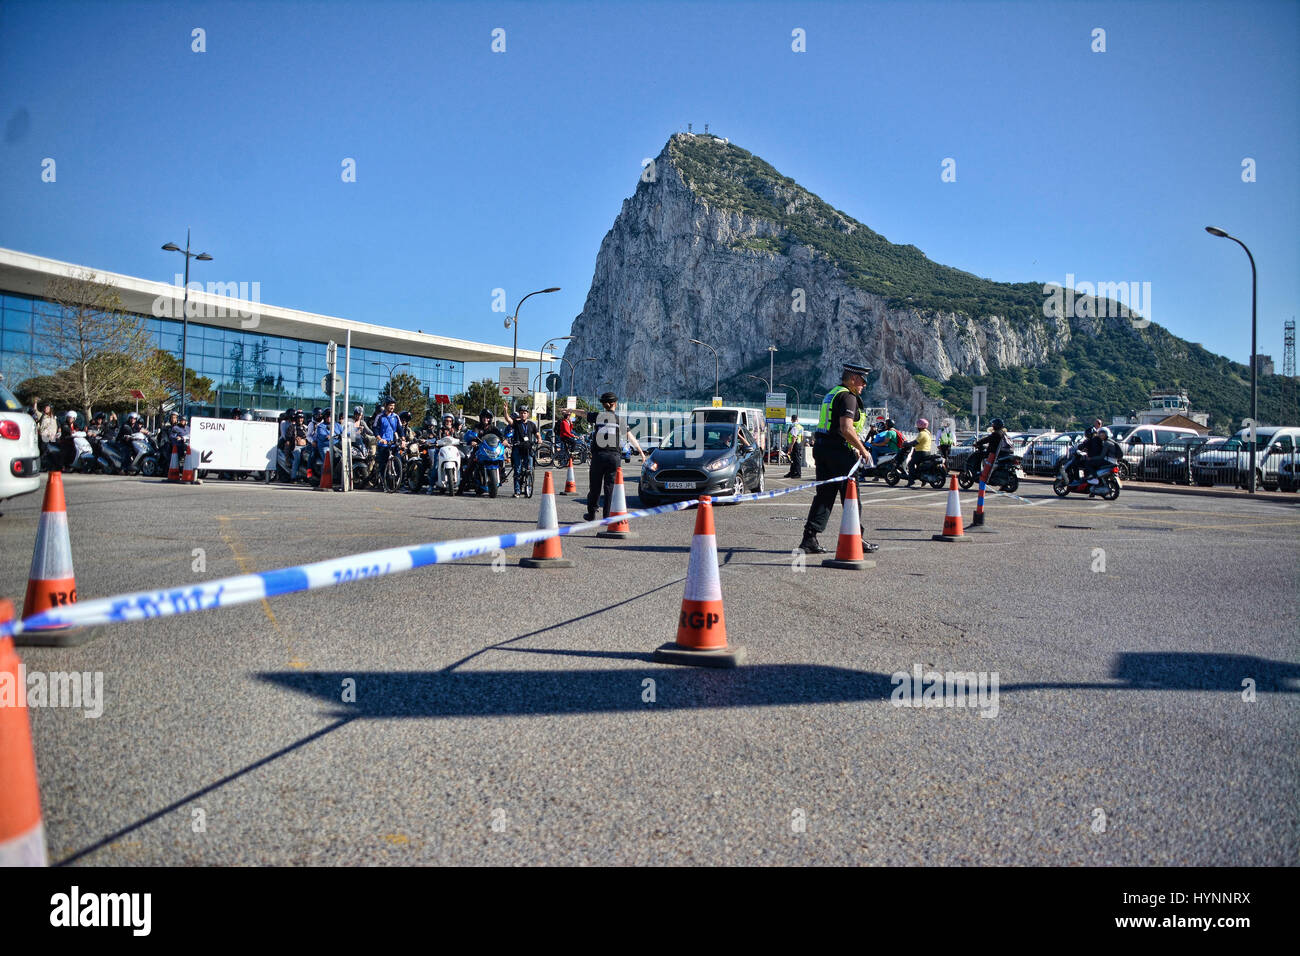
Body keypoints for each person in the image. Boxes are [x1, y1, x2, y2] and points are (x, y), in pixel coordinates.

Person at [798, 363, 879, 555]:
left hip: (823, 448)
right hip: (839, 452)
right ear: (852, 379)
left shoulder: (832, 393)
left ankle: (809, 538)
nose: (864, 385)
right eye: (863, 380)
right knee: (852, 497)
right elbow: (846, 428)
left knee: (824, 496)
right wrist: (863, 450)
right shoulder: (849, 397)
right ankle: (856, 539)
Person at [583, 392, 644, 522]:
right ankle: (607, 515)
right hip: (613, 457)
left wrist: (570, 410)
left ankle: (592, 514)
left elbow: (583, 413)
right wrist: (641, 452)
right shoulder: (619, 420)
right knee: (610, 487)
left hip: (599, 455)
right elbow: (630, 436)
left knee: (595, 486)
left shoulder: (598, 416)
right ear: (615, 404)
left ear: (604, 405)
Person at [510, 405, 540, 497]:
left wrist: (539, 439)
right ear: (519, 414)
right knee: (517, 470)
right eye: (521, 413)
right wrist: (505, 411)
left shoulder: (532, 424)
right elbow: (508, 420)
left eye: (525, 413)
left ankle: (528, 487)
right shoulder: (517, 423)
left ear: (528, 414)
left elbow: (537, 433)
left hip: (528, 449)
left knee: (529, 469)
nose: (523, 415)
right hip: (518, 448)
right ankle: (517, 491)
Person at [903, 418, 938, 486]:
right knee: (920, 466)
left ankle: (911, 481)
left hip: (920, 452)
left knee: (911, 464)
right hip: (927, 452)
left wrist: (907, 444)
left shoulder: (922, 433)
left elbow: (915, 442)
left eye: (918, 427)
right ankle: (923, 480)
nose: (917, 428)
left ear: (920, 426)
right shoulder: (928, 433)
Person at [373, 398, 402, 481]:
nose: (392, 407)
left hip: (393, 443)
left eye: (393, 405)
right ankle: (384, 482)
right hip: (383, 443)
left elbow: (400, 429)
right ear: (385, 405)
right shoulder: (380, 417)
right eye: (390, 405)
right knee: (383, 464)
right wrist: (380, 439)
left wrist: (403, 439)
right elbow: (375, 429)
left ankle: (397, 482)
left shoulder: (396, 416)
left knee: (398, 462)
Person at [288, 410, 311, 482]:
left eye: (301, 418)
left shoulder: (306, 427)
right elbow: (288, 436)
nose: (300, 419)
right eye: (298, 418)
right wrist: (295, 438)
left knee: (311, 458)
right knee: (297, 459)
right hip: (296, 447)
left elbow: (310, 436)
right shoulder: (292, 427)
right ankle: (293, 477)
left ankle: (310, 476)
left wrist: (305, 440)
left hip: (306, 447)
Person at [783, 414, 805, 478]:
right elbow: (802, 437)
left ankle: (798, 473)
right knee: (793, 459)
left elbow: (794, 437)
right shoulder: (800, 426)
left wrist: (791, 447)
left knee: (796, 459)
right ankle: (792, 472)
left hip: (794, 444)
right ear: (797, 419)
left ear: (791, 419)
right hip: (798, 443)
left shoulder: (794, 426)